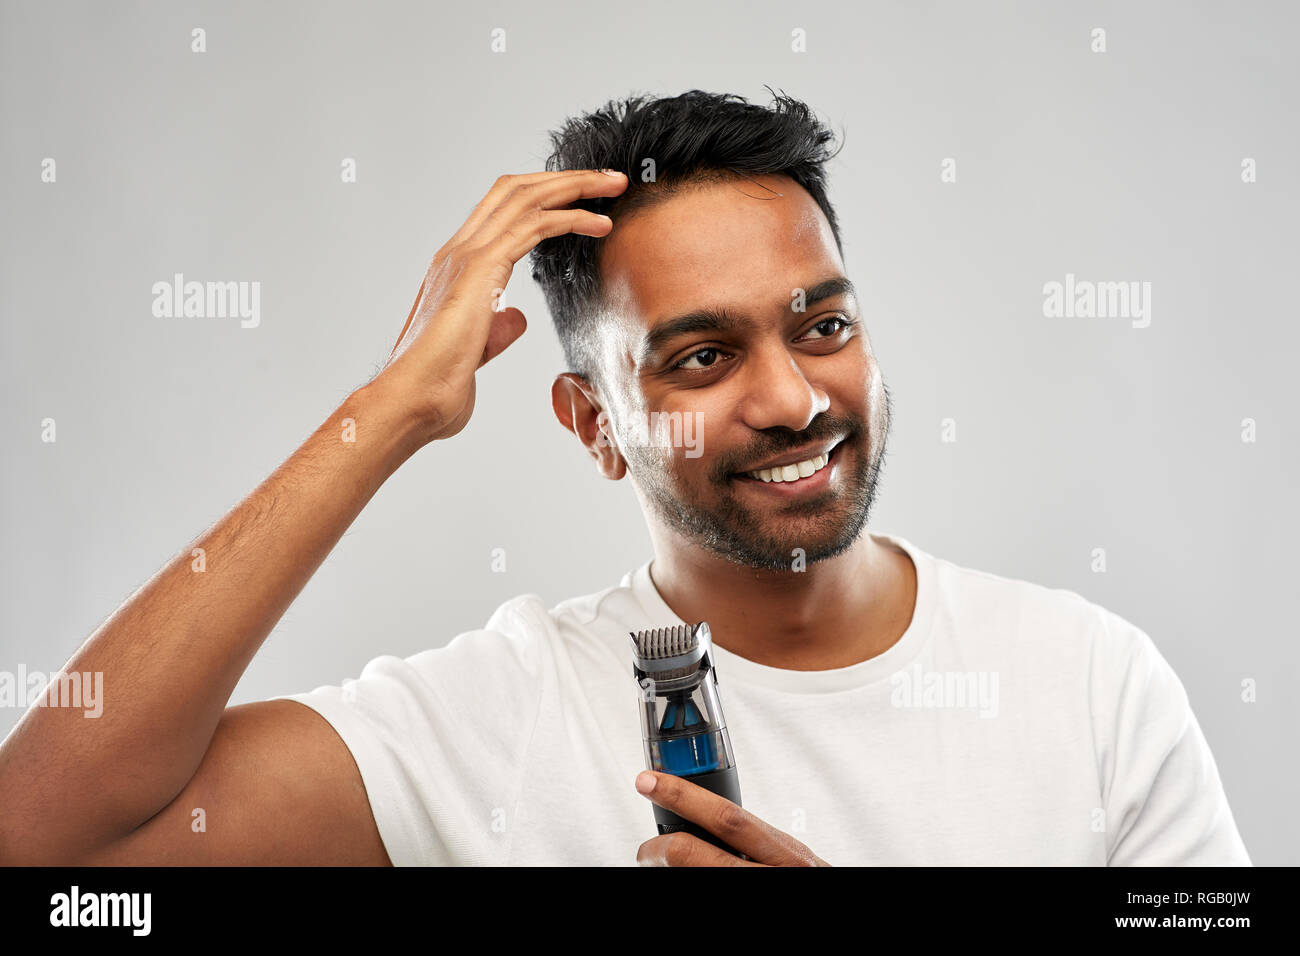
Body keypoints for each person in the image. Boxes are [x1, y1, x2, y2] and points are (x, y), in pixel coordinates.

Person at [0, 89, 1250, 866]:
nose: (792, 398)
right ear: (591, 425)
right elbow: (47, 839)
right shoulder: (493, 718)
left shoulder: (1092, 683)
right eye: (702, 355)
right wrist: (384, 412)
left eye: (821, 325)